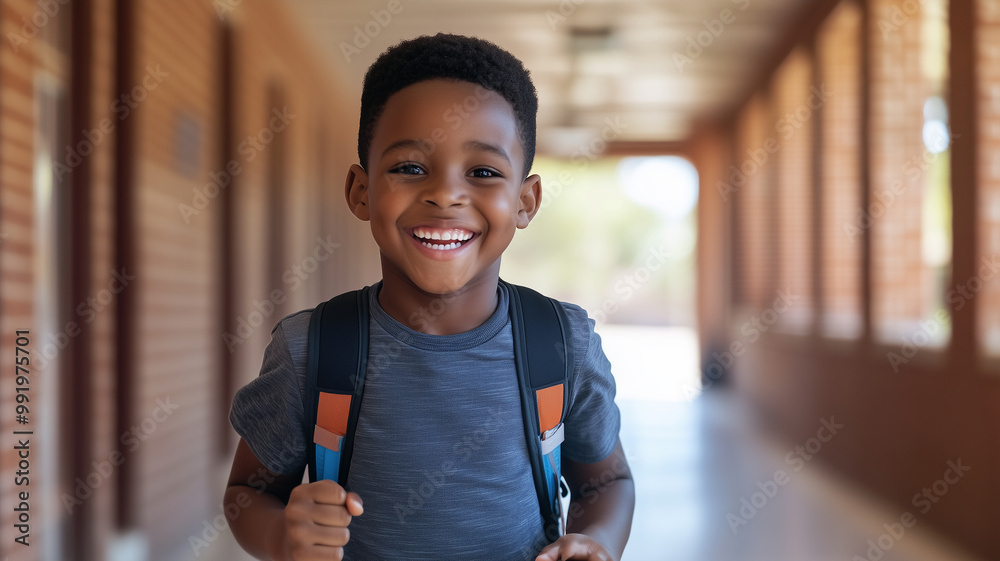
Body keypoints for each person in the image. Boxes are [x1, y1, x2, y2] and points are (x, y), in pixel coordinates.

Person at [224, 33, 634, 561]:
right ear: (361, 191)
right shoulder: (313, 348)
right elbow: (248, 494)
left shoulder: (562, 343)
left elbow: (607, 482)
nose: (445, 194)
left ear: (526, 202)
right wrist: (283, 536)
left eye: (483, 172)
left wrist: (595, 541)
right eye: (410, 168)